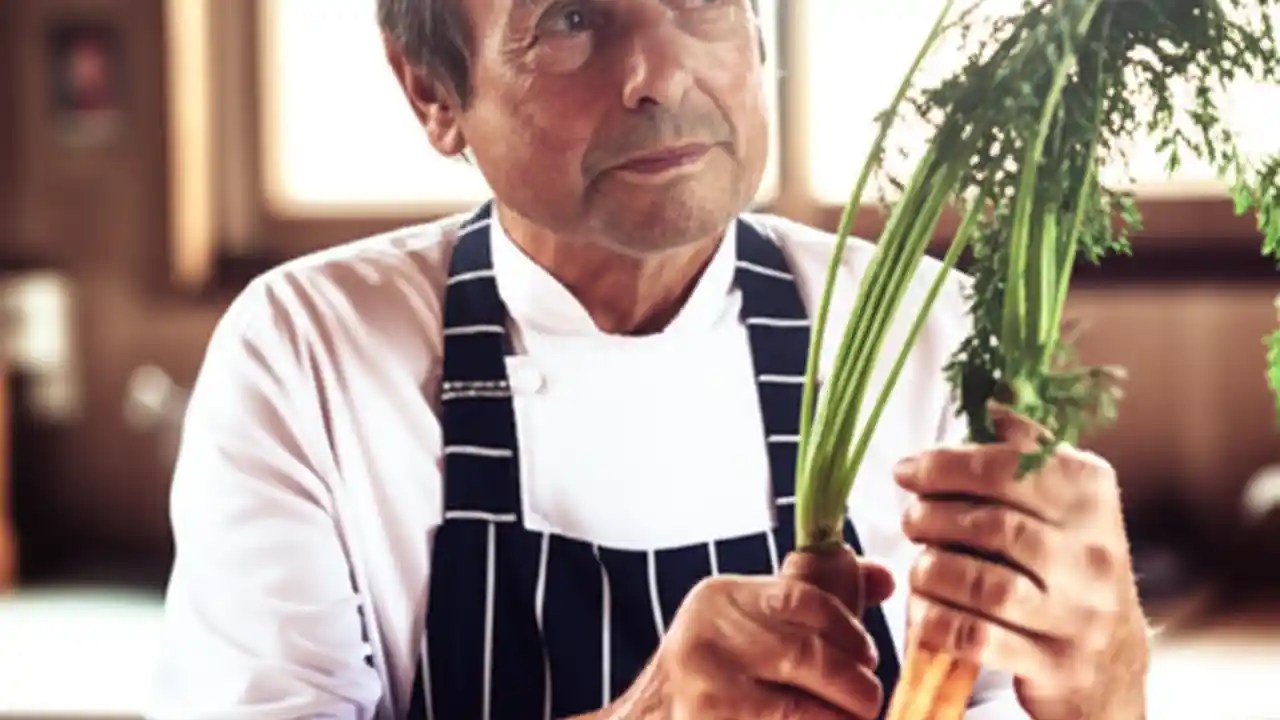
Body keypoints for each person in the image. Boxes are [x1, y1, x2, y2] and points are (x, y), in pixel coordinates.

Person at [149, 1, 1151, 718]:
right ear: (429, 89)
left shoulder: (921, 333)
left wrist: (1103, 686)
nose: (660, 73)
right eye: (573, 20)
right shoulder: (309, 353)